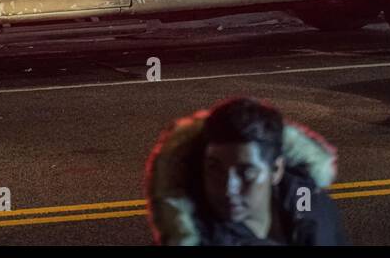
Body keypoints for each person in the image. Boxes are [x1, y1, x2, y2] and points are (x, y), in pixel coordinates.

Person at [145, 97, 346, 246]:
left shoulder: (309, 202)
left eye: (246, 173)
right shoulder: (195, 237)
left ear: (276, 170)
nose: (228, 188)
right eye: (214, 169)